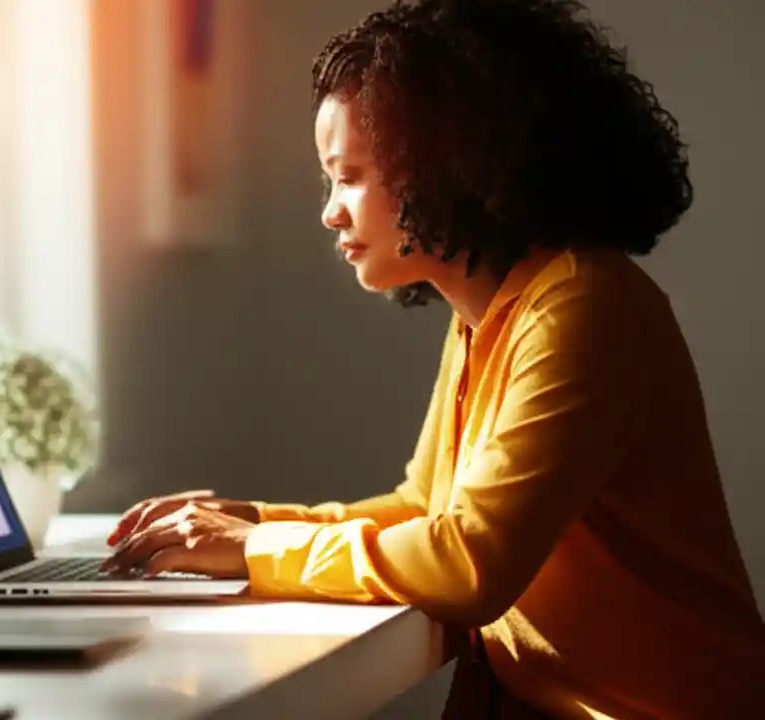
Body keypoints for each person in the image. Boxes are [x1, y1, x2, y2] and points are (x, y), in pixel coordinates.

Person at [102, 0, 765, 717]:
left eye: (349, 174)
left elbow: (470, 563)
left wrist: (257, 552)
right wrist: (255, 523)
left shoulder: (582, 306)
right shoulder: (488, 315)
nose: (331, 210)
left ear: (445, 164)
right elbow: (426, 508)